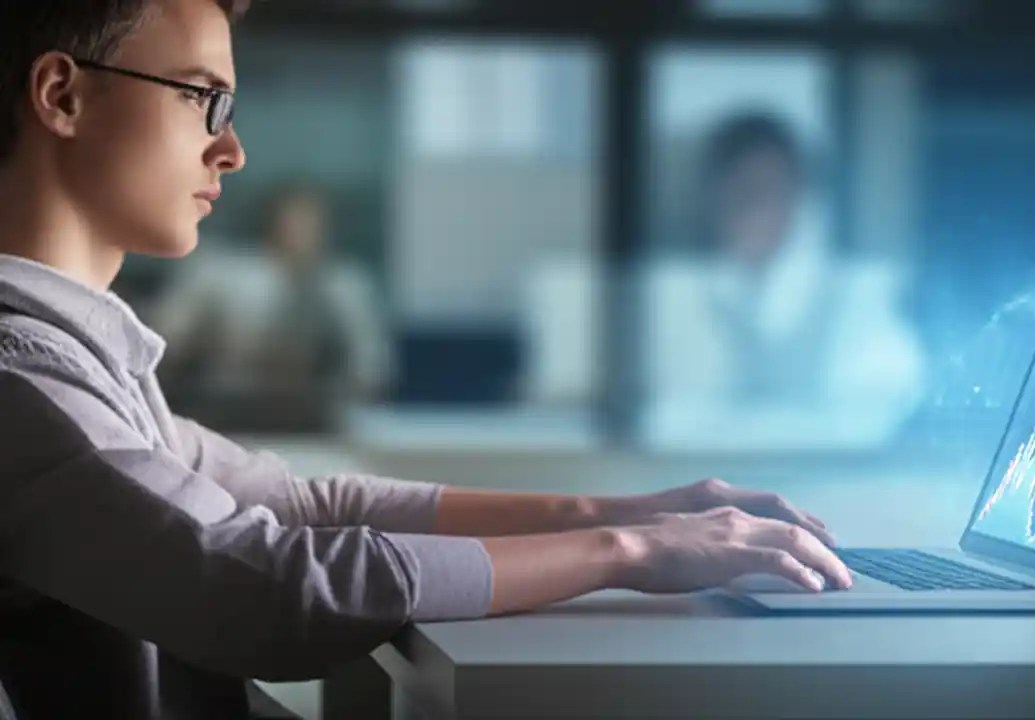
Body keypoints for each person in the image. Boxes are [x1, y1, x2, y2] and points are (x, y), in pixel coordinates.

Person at [0, 2, 852, 718]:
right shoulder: (20, 374)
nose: (232, 150)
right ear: (61, 95)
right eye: (205, 100)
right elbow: (268, 590)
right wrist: (629, 551)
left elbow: (301, 505)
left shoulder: (80, 357)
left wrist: (638, 511)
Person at [644, 110, 925, 449]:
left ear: (798, 198)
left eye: (770, 191)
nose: (755, 209)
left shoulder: (855, 296)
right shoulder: (676, 295)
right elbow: (666, 422)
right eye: (742, 192)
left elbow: (872, 416)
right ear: (714, 199)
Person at [152, 182, 395, 431]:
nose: (302, 231)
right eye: (293, 220)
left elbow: (369, 365)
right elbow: (167, 340)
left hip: (318, 418)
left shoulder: (345, 286)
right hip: (225, 410)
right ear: (271, 222)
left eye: (312, 222)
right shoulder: (221, 276)